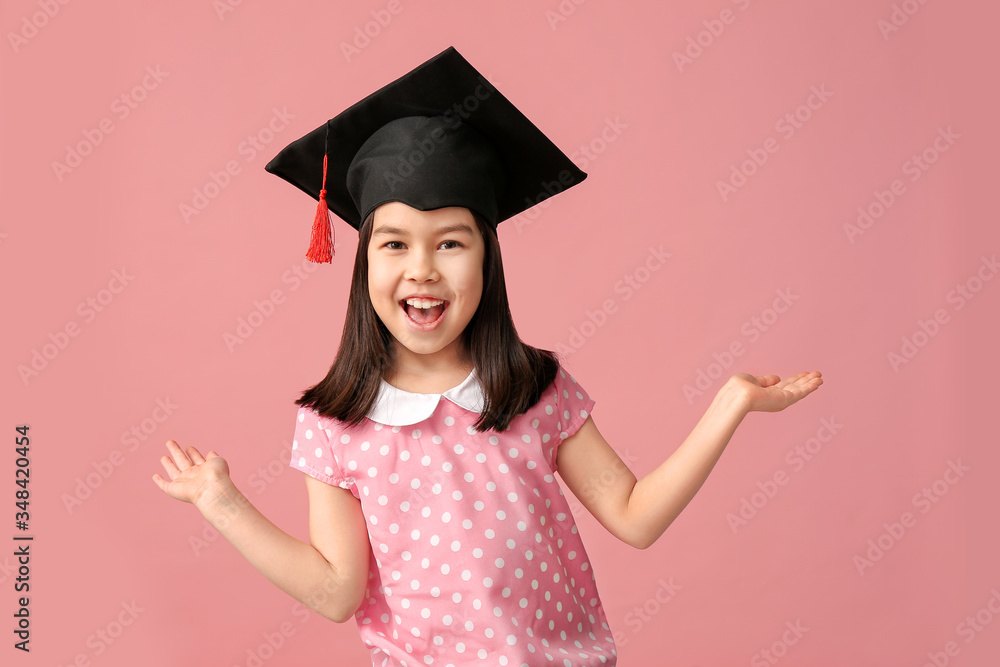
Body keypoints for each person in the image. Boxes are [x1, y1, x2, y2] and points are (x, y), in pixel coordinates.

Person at [152, 47, 823, 667]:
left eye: (450, 243)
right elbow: (335, 591)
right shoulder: (332, 422)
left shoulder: (534, 389)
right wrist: (223, 502)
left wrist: (729, 405)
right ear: (362, 263)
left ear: (487, 256)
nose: (422, 270)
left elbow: (635, 516)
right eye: (394, 245)